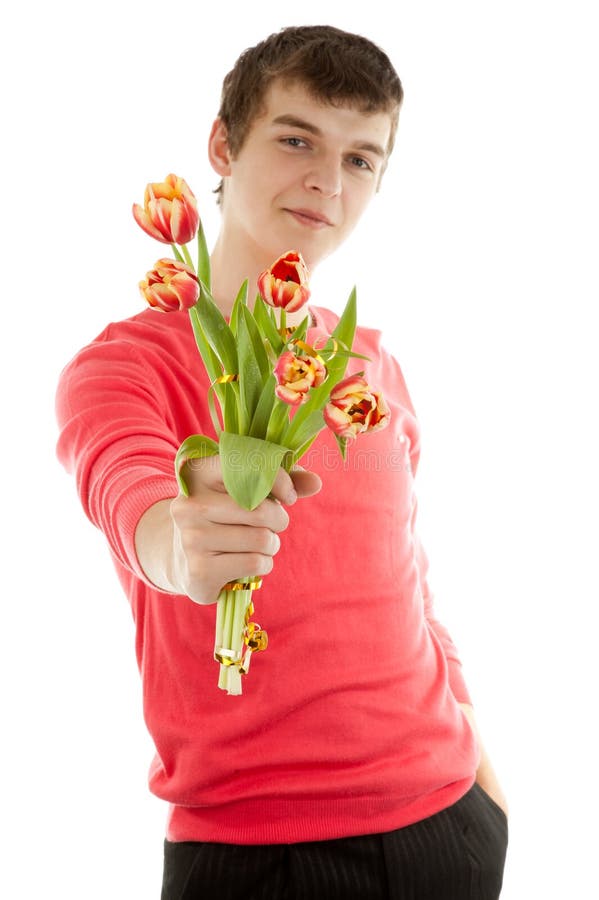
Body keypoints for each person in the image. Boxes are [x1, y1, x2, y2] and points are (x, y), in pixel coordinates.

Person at [56, 24, 508, 900]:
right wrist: (179, 545)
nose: (326, 183)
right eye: (297, 139)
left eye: (360, 159)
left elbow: (408, 583)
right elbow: (130, 491)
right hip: (251, 854)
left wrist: (478, 760)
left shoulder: (371, 371)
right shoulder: (124, 367)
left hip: (448, 826)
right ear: (223, 144)